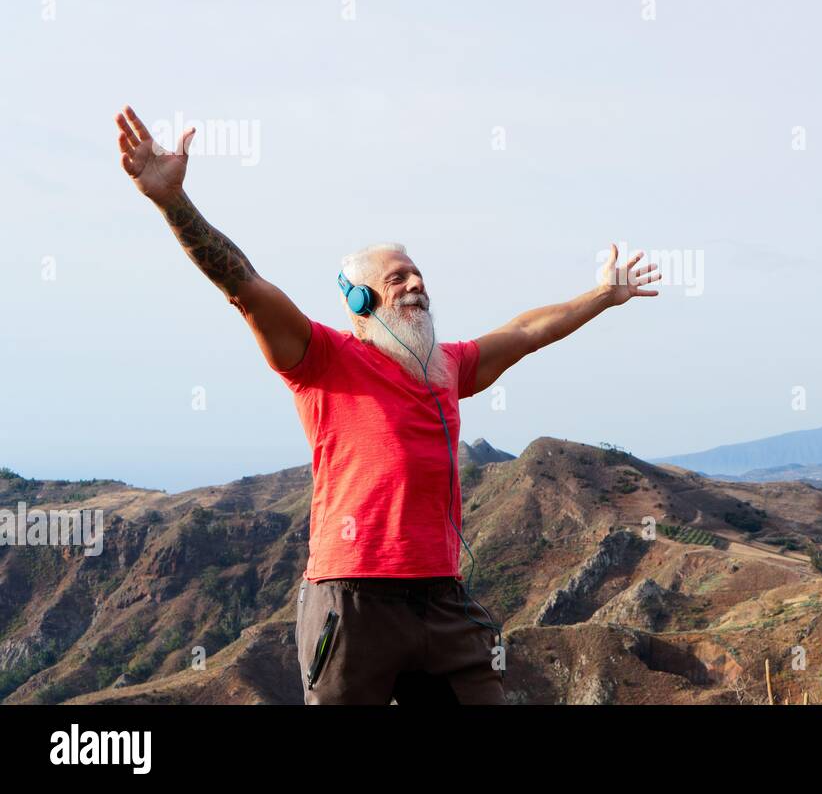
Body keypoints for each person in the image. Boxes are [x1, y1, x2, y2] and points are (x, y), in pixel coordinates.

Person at [114, 105, 660, 703]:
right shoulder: (321, 357)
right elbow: (243, 283)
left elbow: (528, 330)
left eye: (419, 275)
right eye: (397, 278)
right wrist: (173, 204)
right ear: (358, 299)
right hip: (352, 599)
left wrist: (605, 294)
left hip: (442, 598)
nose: (415, 284)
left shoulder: (448, 366)